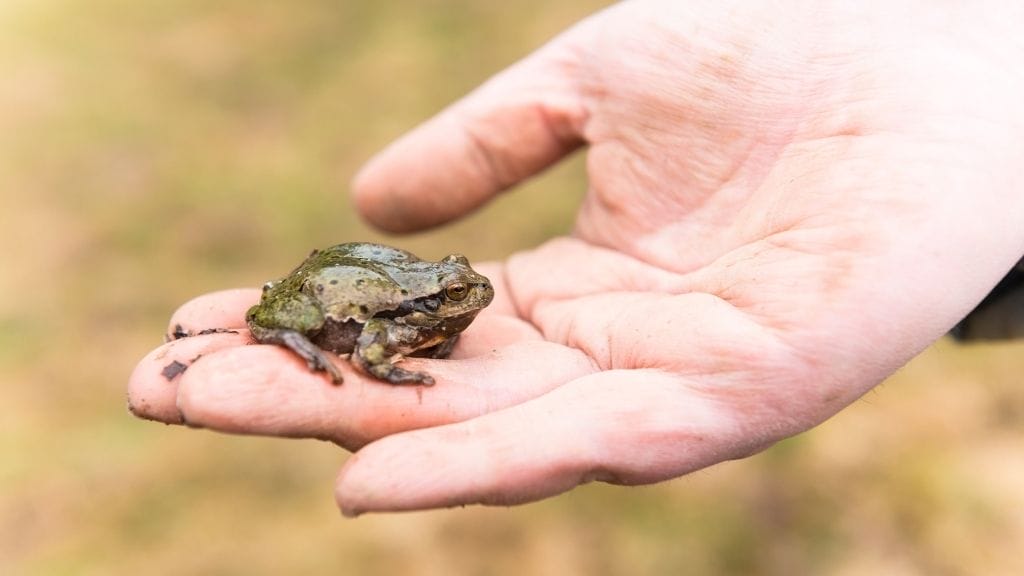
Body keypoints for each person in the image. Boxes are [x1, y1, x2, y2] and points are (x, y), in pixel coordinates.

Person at [128, 0, 1024, 516]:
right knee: (284, 323)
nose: (464, 303)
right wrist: (388, 367)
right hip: (320, 300)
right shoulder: (391, 321)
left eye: (457, 292)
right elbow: (366, 351)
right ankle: (289, 343)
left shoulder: (438, 301)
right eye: (447, 303)